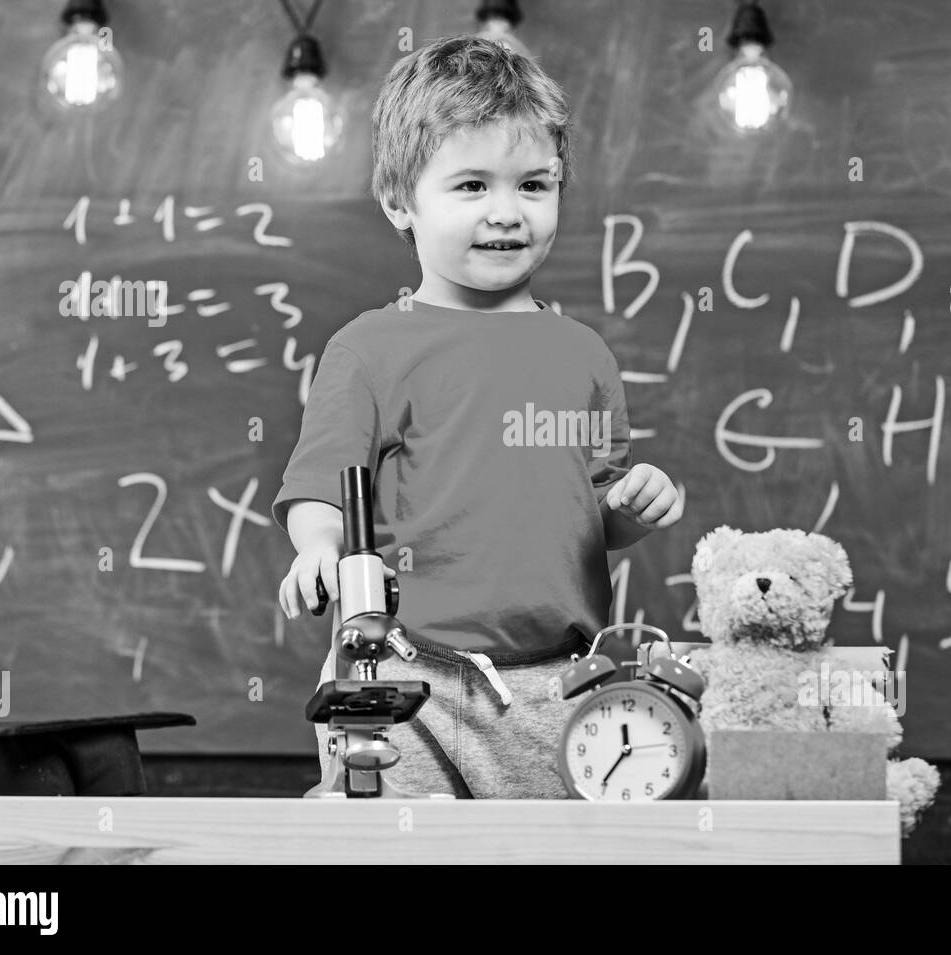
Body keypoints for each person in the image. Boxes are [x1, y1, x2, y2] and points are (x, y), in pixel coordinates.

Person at [272, 34, 683, 798]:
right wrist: (320, 547)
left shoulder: (583, 355)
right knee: (385, 849)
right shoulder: (367, 349)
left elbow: (591, 504)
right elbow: (320, 486)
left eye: (534, 184)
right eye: (470, 186)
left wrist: (629, 505)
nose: (506, 212)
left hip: (559, 685)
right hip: (402, 676)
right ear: (400, 199)